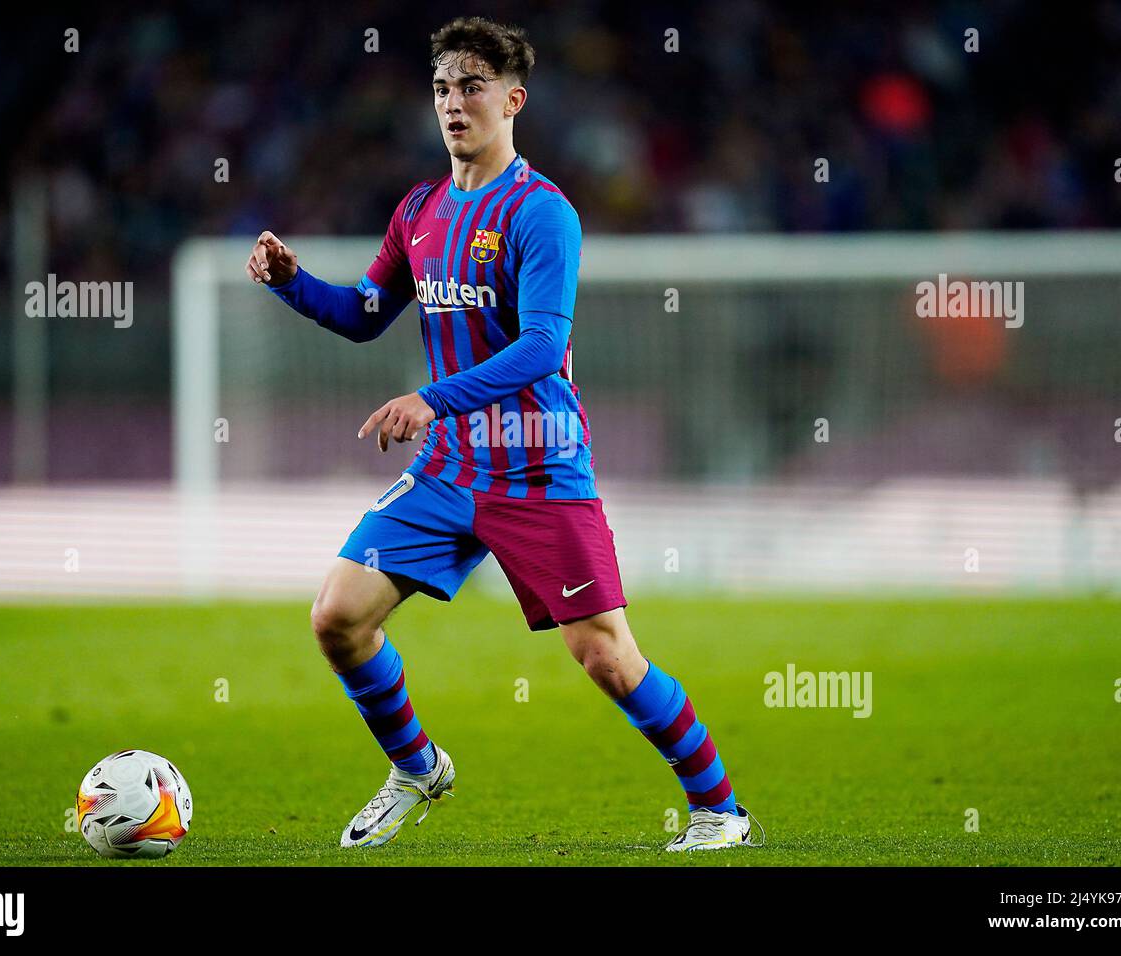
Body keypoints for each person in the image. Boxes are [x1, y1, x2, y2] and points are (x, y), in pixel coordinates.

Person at [245, 15, 760, 852]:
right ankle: (418, 768)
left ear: (513, 100)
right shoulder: (419, 210)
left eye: (473, 86)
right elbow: (366, 313)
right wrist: (293, 282)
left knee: (606, 657)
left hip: (538, 467)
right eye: (442, 87)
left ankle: (719, 810)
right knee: (338, 616)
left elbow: (543, 346)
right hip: (450, 468)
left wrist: (432, 398)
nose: (454, 102)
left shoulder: (542, 213)